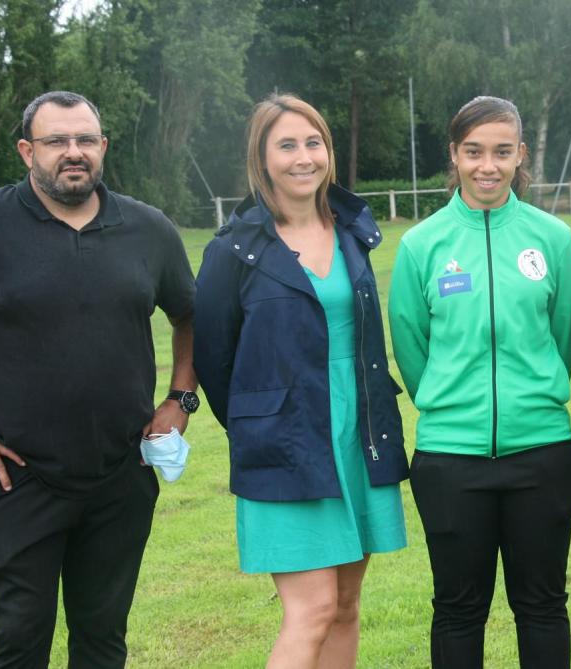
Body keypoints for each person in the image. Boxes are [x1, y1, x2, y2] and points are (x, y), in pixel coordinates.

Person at [0, 90, 198, 668]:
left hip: (121, 476)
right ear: (28, 151)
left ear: (102, 148)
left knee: (103, 641)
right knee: (19, 642)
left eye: (84, 140)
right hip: (17, 478)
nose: (72, 152)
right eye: (56, 141)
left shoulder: (148, 229)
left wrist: (180, 399)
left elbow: (191, 315)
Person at [193, 94, 408, 669]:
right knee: (311, 611)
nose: (303, 157)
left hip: (360, 436)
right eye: (286, 144)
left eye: (314, 142)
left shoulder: (352, 233)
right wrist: (267, 423)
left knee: (344, 606)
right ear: (262, 159)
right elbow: (215, 361)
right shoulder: (232, 250)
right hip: (286, 444)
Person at [388, 95, 571, 668]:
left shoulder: (553, 239)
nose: (488, 166)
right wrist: (447, 406)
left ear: (521, 154)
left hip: (542, 453)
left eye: (502, 152)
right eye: (473, 152)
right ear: (455, 155)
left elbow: (565, 337)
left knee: (542, 604)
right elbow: (410, 344)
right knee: (457, 608)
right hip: (450, 460)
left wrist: (534, 395)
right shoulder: (422, 246)